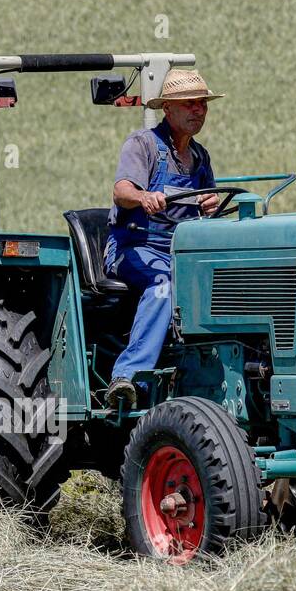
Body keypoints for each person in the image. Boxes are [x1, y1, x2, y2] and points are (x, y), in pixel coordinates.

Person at [104, 69, 223, 407]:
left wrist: (209, 205)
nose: (198, 110)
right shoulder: (143, 144)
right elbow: (122, 190)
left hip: (179, 254)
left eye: (202, 104)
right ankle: (127, 376)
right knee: (164, 286)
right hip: (134, 248)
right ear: (167, 109)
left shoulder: (199, 157)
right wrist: (143, 198)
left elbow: (206, 203)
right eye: (189, 104)